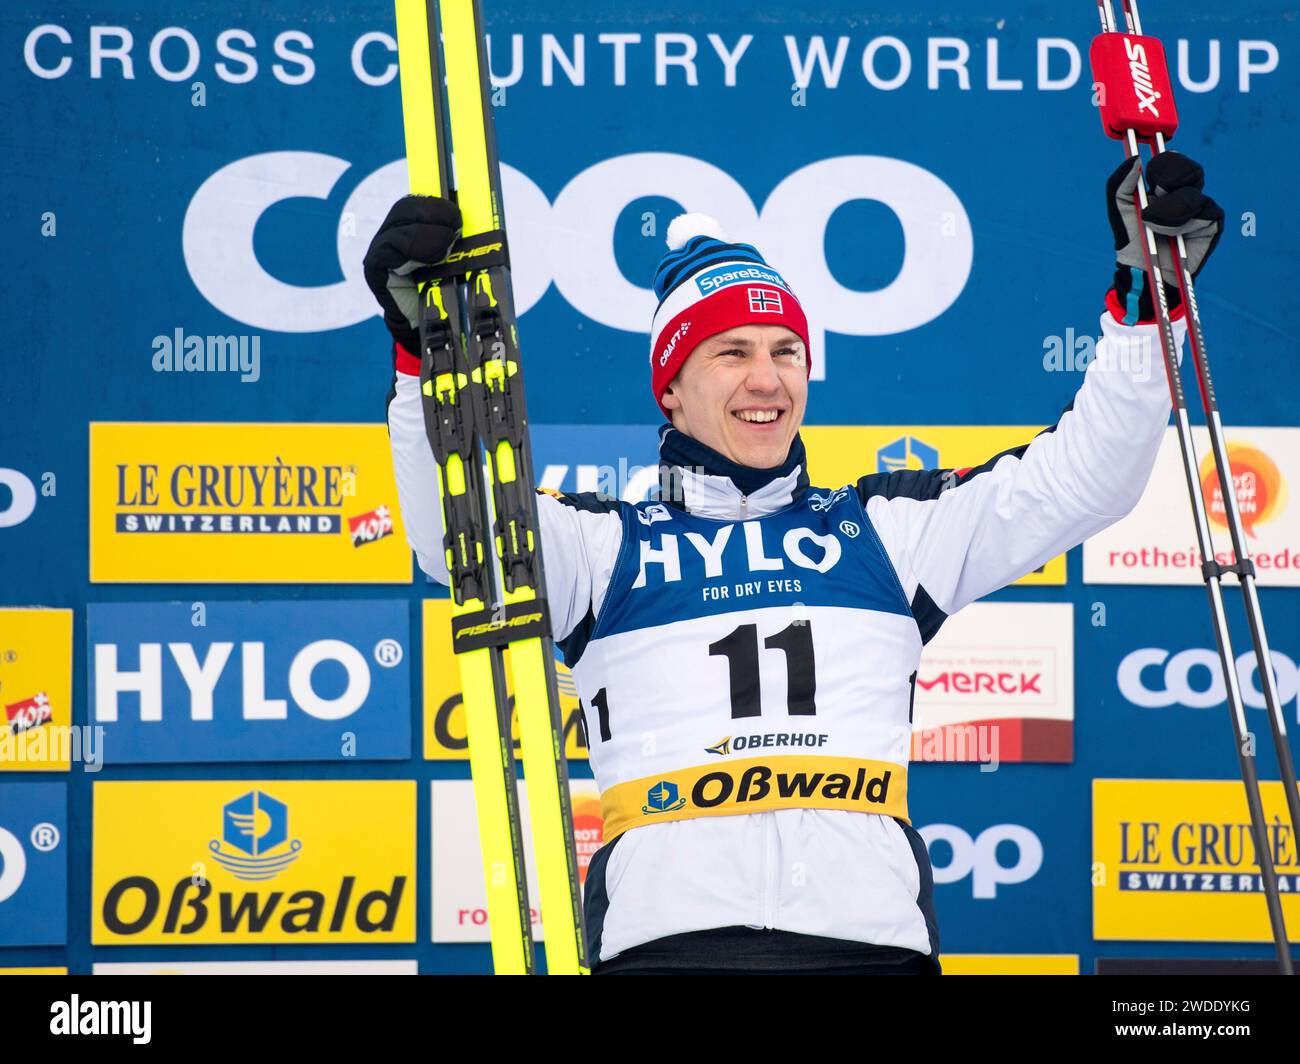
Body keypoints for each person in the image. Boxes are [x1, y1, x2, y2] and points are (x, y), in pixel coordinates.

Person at [364, 154, 1222, 974]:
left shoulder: (888, 530)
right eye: (730, 353)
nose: (766, 378)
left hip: (866, 946)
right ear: (671, 387)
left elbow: (1085, 480)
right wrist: (423, 359)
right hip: (669, 950)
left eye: (785, 352)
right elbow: (460, 538)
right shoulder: (603, 546)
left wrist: (1153, 303)